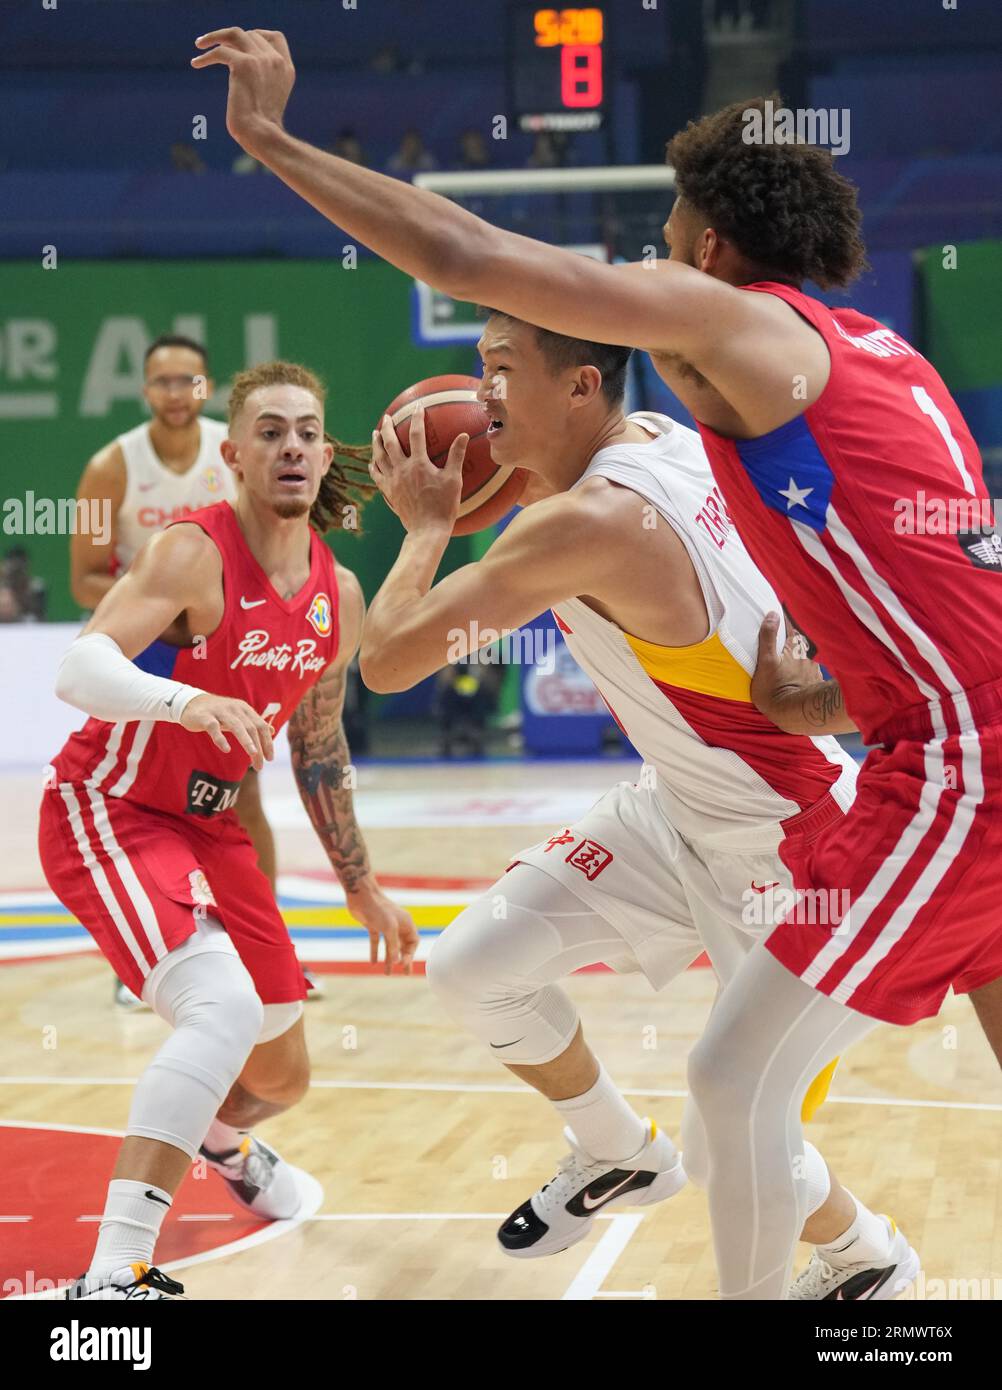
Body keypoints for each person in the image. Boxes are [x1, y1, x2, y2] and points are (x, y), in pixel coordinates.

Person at [191, 32, 1002, 1300]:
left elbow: (469, 261)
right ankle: (620, 1155)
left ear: (712, 259)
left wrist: (270, 142)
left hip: (848, 810)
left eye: (666, 244)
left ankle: (862, 1266)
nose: (650, 267)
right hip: (760, 779)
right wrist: (823, 689)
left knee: (743, 1095)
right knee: (508, 980)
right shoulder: (846, 373)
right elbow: (939, 598)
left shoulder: (709, 367)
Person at [359, 310, 915, 1298]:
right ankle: (617, 1149)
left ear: (580, 386)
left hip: (795, 852)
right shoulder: (662, 439)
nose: (481, 390)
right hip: (683, 809)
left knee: (735, 1137)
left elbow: (390, 660)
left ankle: (868, 1256)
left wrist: (430, 528)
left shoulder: (587, 522)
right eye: (477, 369)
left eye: (499, 368)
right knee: (473, 966)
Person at [42, 359, 417, 1300]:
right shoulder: (190, 551)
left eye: (306, 431)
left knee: (282, 1071)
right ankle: (115, 1269)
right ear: (235, 454)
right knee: (223, 1011)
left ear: (324, 453)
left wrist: (359, 880)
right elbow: (78, 670)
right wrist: (183, 701)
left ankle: (221, 1140)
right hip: (111, 810)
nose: (291, 445)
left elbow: (320, 751)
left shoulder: (340, 593)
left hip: (212, 831)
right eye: (270, 431)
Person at [71, 334, 284, 1009]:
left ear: (206, 387)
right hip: (149, 655)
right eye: (161, 381)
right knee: (140, 800)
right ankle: (146, 954)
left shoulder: (237, 455)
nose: (173, 393)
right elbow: (82, 579)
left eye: (186, 381)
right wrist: (160, 609)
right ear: (144, 390)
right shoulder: (112, 468)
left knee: (241, 799)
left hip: (226, 646)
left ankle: (262, 947)